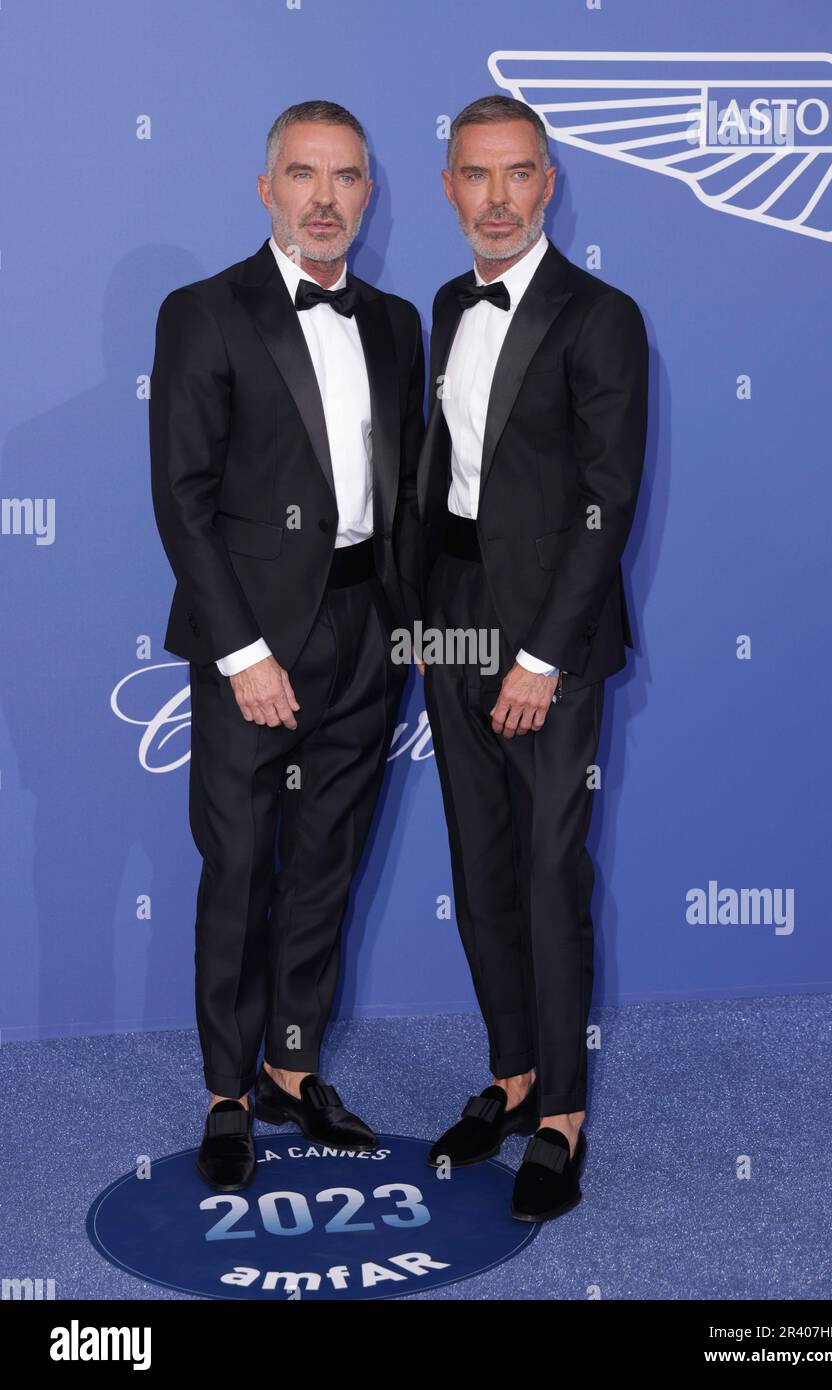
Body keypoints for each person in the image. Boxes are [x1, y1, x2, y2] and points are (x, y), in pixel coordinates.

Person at [149, 101, 424, 1192]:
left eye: (346, 176)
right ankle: (225, 1091)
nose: (324, 196)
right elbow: (184, 498)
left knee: (325, 863)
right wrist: (242, 652)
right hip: (251, 643)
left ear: (367, 193)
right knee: (237, 865)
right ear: (267, 190)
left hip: (368, 630)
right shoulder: (203, 312)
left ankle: (288, 1065)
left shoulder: (397, 321)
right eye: (303, 174)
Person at [419, 95, 649, 1221]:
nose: (497, 198)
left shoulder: (601, 315)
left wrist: (543, 655)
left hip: (546, 632)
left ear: (547, 184)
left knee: (551, 871)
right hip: (450, 611)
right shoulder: (445, 303)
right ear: (450, 187)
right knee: (480, 863)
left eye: (518, 175)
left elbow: (609, 503)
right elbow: (442, 478)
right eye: (477, 175)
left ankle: (561, 1111)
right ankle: (509, 1074)